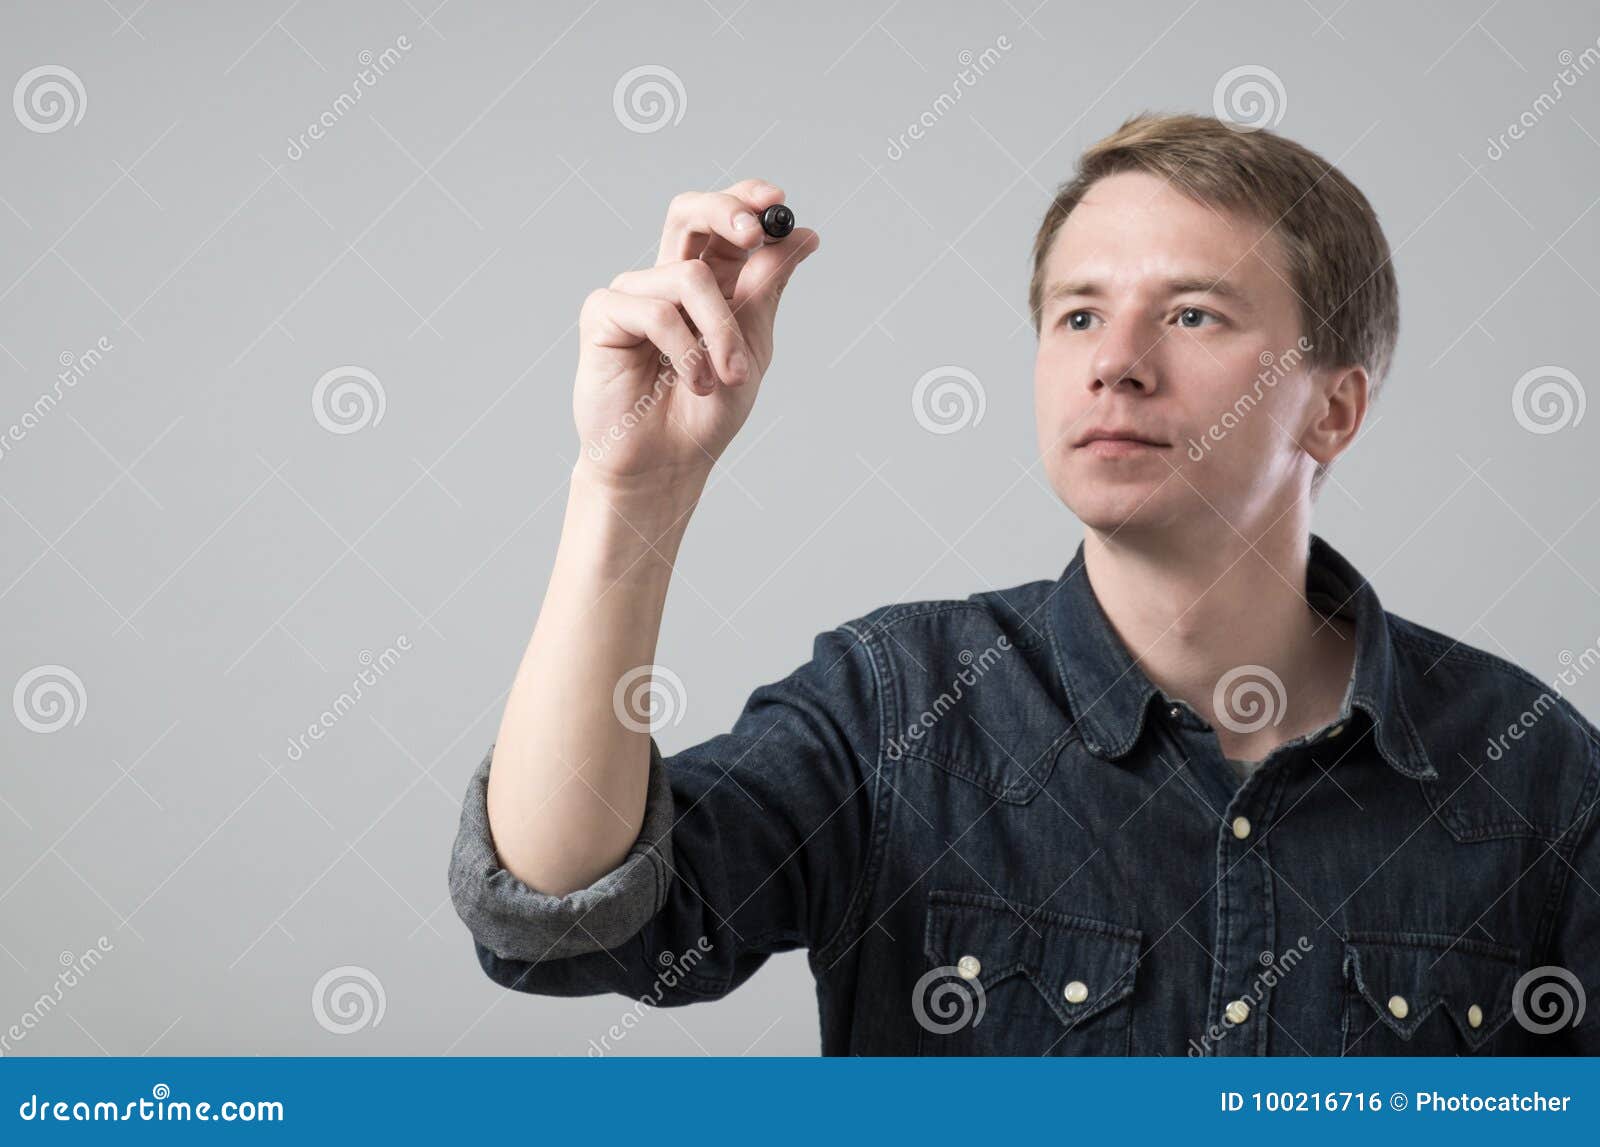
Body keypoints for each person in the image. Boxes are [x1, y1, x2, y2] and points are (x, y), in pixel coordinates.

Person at [447, 113, 1598, 1055]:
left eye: (1192, 313)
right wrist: (630, 493)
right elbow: (566, 915)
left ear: (1334, 407)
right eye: (1078, 313)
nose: (1115, 360)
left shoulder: (1536, 771)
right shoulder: (896, 705)